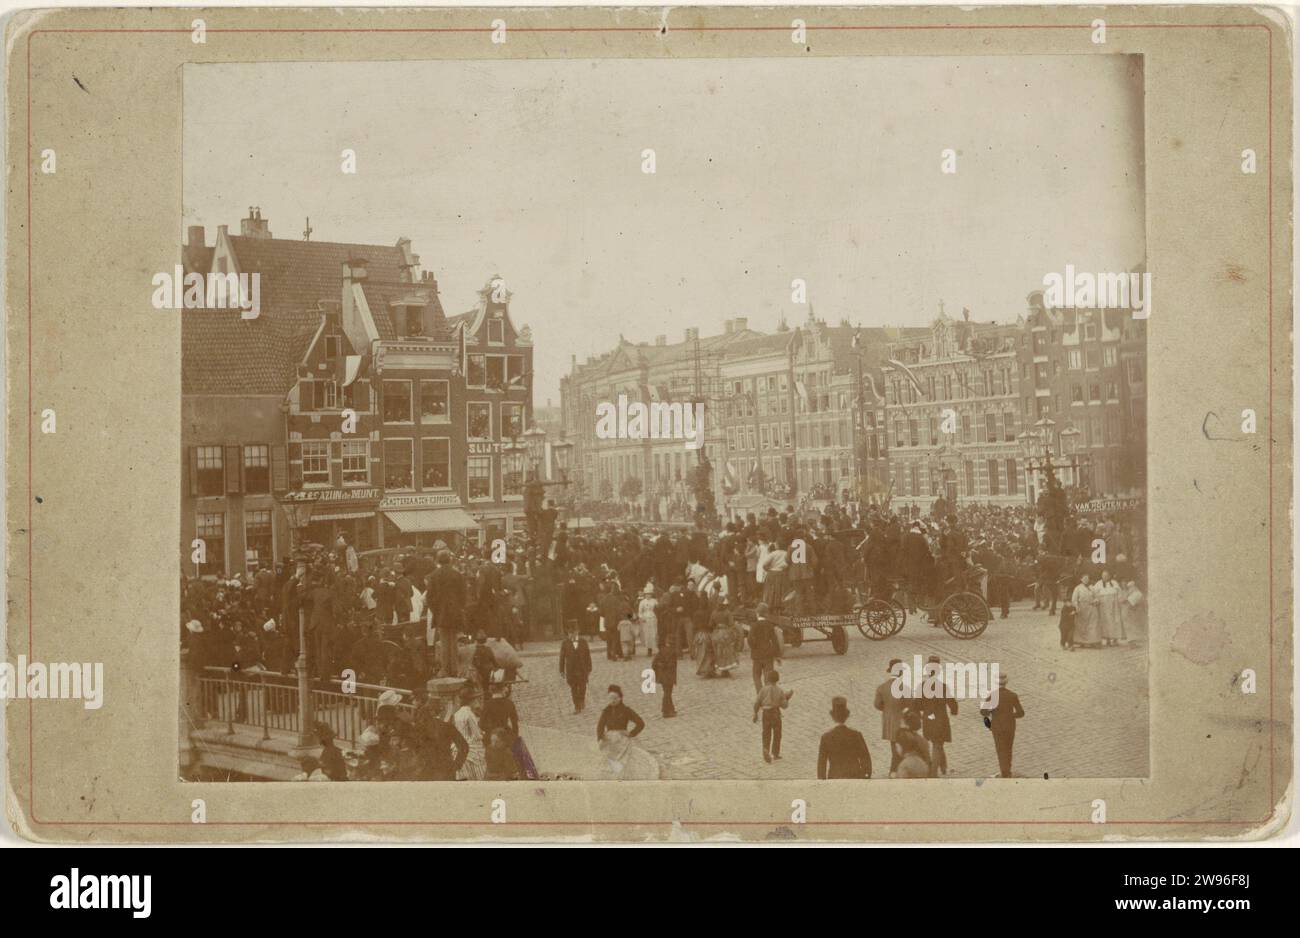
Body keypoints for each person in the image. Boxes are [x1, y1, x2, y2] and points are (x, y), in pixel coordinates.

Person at [918, 655, 958, 776]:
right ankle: (933, 772)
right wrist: (954, 711)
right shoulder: (943, 686)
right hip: (940, 720)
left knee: (938, 743)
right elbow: (952, 704)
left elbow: (917, 705)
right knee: (937, 744)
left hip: (928, 720)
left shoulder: (922, 686)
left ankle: (944, 767)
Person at [980, 673, 1024, 778]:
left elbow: (983, 711)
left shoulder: (992, 696)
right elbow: (1021, 713)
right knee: (1009, 748)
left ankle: (1004, 772)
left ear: (996, 683)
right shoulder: (1013, 695)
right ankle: (1007, 771)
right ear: (1006, 683)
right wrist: (1011, 715)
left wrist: (991, 712)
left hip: (997, 726)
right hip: (1010, 725)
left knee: (1000, 749)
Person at [817, 696, 873, 779]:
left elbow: (822, 765)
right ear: (847, 716)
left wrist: (823, 783)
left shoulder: (826, 737)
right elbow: (866, 759)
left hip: (835, 779)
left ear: (832, 716)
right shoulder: (856, 735)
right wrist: (866, 777)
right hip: (855, 778)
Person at [873, 658, 908, 776]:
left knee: (894, 746)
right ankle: (894, 771)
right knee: (900, 748)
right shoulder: (904, 688)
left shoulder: (882, 687)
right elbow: (910, 703)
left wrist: (887, 709)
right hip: (901, 721)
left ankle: (895, 770)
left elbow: (877, 705)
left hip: (888, 721)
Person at [753, 668, 793, 763]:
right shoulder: (779, 691)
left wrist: (755, 714)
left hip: (766, 714)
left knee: (766, 732)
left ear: (767, 679)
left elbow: (757, 703)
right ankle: (775, 753)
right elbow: (784, 705)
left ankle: (766, 749)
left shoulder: (763, 690)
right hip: (775, 713)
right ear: (777, 679)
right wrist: (788, 698)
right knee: (777, 733)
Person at [452, 687, 487, 781]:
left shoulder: (457, 714)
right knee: (479, 777)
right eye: (475, 699)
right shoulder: (469, 713)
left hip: (459, 747)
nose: (476, 701)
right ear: (471, 701)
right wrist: (483, 733)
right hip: (472, 749)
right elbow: (477, 735)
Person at [747, 602, 783, 693]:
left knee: (756, 675)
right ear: (766, 614)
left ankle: (760, 694)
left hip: (757, 656)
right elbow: (775, 641)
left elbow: (750, 640)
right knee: (768, 677)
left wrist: (754, 648)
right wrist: (777, 655)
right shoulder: (770, 625)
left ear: (757, 613)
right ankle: (768, 695)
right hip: (768, 655)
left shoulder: (754, 626)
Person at [558, 627, 593, 713]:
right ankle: (576, 706)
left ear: (577, 632)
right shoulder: (565, 643)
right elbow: (562, 657)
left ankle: (581, 699)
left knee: (582, 687)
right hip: (571, 670)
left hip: (582, 669)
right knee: (573, 688)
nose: (571, 635)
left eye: (573, 633)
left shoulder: (583, 642)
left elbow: (588, 655)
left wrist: (589, 667)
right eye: (569, 633)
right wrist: (561, 670)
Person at [892, 709, 931, 778]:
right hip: (923, 767)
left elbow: (897, 757)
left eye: (902, 721)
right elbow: (927, 759)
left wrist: (893, 772)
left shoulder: (904, 736)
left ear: (907, 724)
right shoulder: (922, 740)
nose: (900, 723)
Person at [1094, 569, 1123, 647]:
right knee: (1105, 622)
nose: (1105, 577)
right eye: (1103, 576)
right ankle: (1106, 639)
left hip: (1114, 605)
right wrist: (1097, 600)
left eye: (1106, 575)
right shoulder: (1098, 584)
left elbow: (1119, 592)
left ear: (1109, 576)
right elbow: (1094, 594)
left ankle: (1114, 639)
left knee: (1114, 621)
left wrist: (1119, 600)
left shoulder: (1114, 583)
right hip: (1103, 606)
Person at [1071, 573, 1100, 647]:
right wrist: (1077, 607)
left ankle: (1092, 641)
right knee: (1081, 625)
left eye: (1087, 578)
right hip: (1082, 608)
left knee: (1093, 625)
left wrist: (1096, 600)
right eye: (1084, 578)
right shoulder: (1078, 588)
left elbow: (1097, 596)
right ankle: (1081, 641)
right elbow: (1074, 599)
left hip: (1091, 607)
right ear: (1081, 579)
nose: (1086, 580)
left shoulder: (1092, 588)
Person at [651, 640, 678, 718]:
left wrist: (658, 672)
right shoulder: (673, 652)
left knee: (667, 692)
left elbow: (653, 664)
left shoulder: (661, 651)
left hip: (661, 677)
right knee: (668, 693)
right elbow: (672, 665)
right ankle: (665, 711)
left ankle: (671, 709)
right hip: (669, 676)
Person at [636, 584, 659, 657]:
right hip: (646, 619)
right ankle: (649, 650)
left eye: (649, 594)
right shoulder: (642, 602)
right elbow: (639, 612)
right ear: (645, 595)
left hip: (653, 618)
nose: (648, 596)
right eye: (647, 594)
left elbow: (658, 609)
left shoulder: (654, 601)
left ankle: (655, 648)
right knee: (647, 635)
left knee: (654, 634)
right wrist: (642, 618)